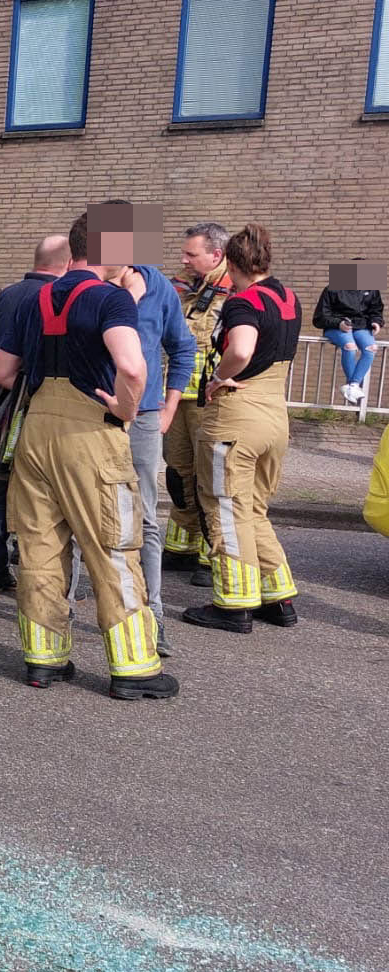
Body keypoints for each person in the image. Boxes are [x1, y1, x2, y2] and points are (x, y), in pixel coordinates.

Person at [0, 207, 176, 700]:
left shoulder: (34, 298)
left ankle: (44, 660)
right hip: (90, 433)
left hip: (35, 432)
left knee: (40, 551)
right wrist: (126, 408)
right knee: (113, 548)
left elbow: (2, 374)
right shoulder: (111, 299)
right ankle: (135, 669)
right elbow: (132, 367)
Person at [185, 224, 302, 633]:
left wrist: (219, 376)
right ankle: (279, 596)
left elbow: (242, 349)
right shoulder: (287, 295)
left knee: (225, 510)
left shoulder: (242, 302)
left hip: (237, 418)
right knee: (253, 510)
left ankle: (233, 603)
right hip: (275, 414)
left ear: (231, 263)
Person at [0, 235, 70, 593]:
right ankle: (30, 567)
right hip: (35, 406)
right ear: (68, 263)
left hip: (1, 407)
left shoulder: (4, 296)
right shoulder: (55, 299)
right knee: (39, 491)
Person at [113, 247, 197, 658]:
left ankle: (153, 615)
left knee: (145, 517)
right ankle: (67, 612)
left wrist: (169, 407)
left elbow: (183, 347)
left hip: (144, 417)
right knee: (80, 517)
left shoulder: (159, 286)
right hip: (94, 413)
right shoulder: (89, 283)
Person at [162, 224, 233, 587]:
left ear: (216, 255)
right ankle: (181, 546)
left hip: (211, 401)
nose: (183, 259)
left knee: (210, 480)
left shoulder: (234, 291)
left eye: (191, 254)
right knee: (178, 473)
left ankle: (210, 553)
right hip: (179, 396)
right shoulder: (183, 287)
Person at [313, 269, 382, 404]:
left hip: (361, 326)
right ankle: (353, 387)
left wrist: (376, 322)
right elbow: (319, 317)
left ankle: (352, 386)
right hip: (336, 326)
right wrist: (338, 324)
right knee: (350, 346)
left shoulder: (372, 289)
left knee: (371, 347)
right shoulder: (331, 289)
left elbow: (376, 311)